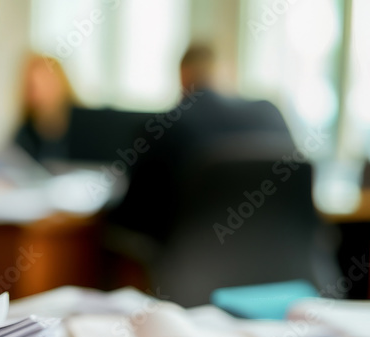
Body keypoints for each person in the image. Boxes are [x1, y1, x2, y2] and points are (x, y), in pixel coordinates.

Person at [106, 44, 295, 248]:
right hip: (278, 256)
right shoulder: (270, 114)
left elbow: (133, 216)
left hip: (190, 261)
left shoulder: (163, 129)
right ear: (222, 74)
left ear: (182, 76)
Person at [13, 54, 78, 163]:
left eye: (46, 82)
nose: (40, 93)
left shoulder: (94, 123)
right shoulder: (25, 134)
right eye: (34, 86)